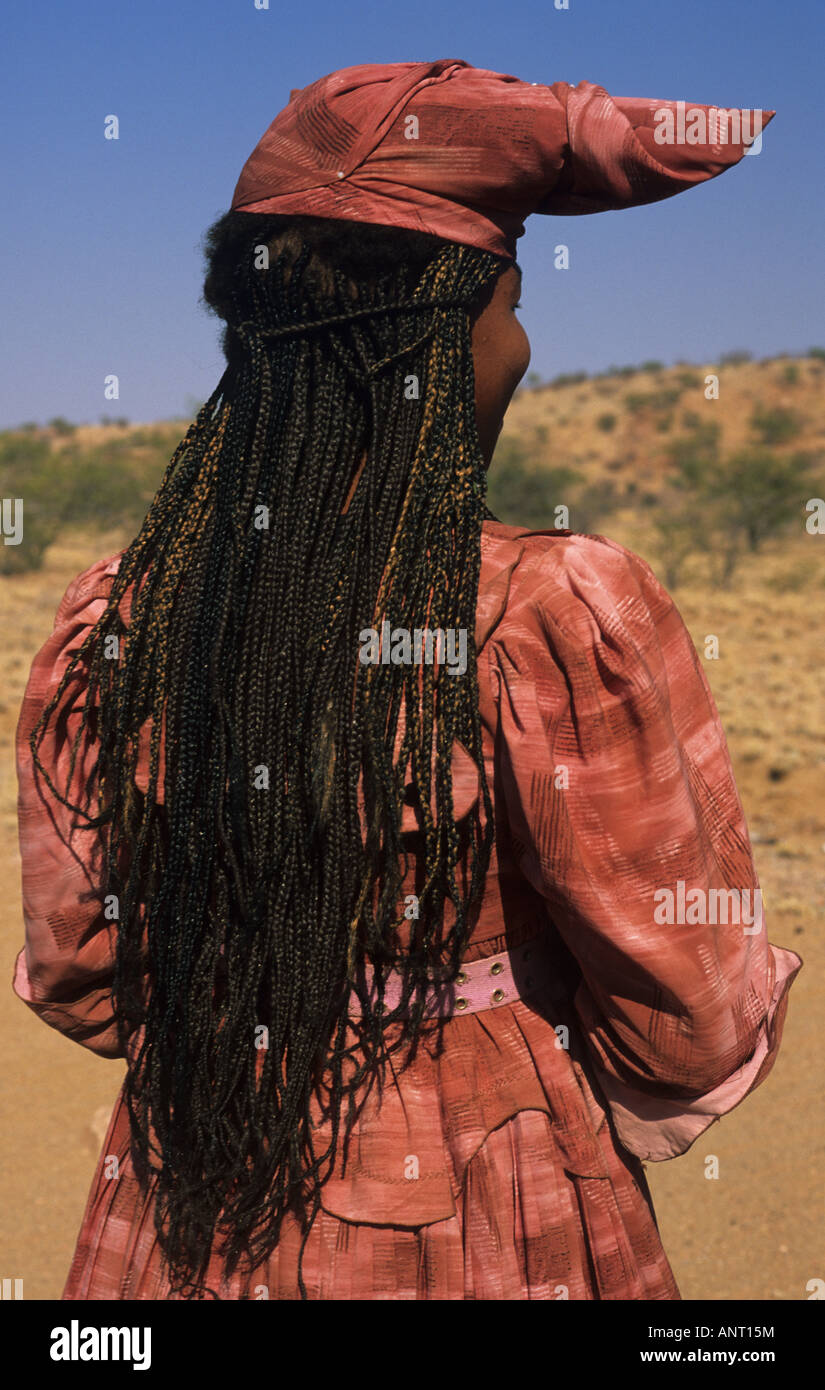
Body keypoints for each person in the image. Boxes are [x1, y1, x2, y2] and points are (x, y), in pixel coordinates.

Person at [14, 60, 801, 1301]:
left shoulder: (117, 612)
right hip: (485, 1203)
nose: (523, 350)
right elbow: (685, 1014)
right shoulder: (553, 610)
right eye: (510, 304)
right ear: (451, 328)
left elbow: (77, 965)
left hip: (188, 1186)